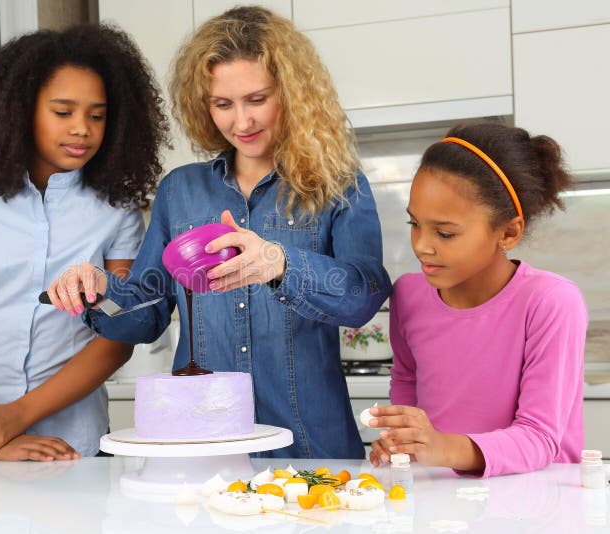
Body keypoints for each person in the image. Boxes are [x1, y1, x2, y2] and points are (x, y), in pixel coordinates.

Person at [47, 6, 391, 459]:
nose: (241, 122)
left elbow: (362, 297)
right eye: (223, 104)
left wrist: (280, 263)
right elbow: (145, 316)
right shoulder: (179, 192)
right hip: (204, 452)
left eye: (257, 99)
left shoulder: (338, 183)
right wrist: (98, 291)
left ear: (291, 93)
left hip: (310, 448)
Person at [0, 24, 169, 460]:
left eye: (97, 115)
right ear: (21, 111)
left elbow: (118, 334)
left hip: (73, 445)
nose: (82, 129)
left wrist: (15, 417)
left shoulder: (118, 207)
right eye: (63, 111)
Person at [368, 122, 588, 476]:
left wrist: (440, 446)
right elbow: (407, 378)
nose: (422, 245)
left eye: (444, 232)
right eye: (414, 224)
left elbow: (539, 438)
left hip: (537, 498)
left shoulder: (550, 302)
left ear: (508, 232)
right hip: (441, 493)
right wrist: (406, 441)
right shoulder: (409, 294)